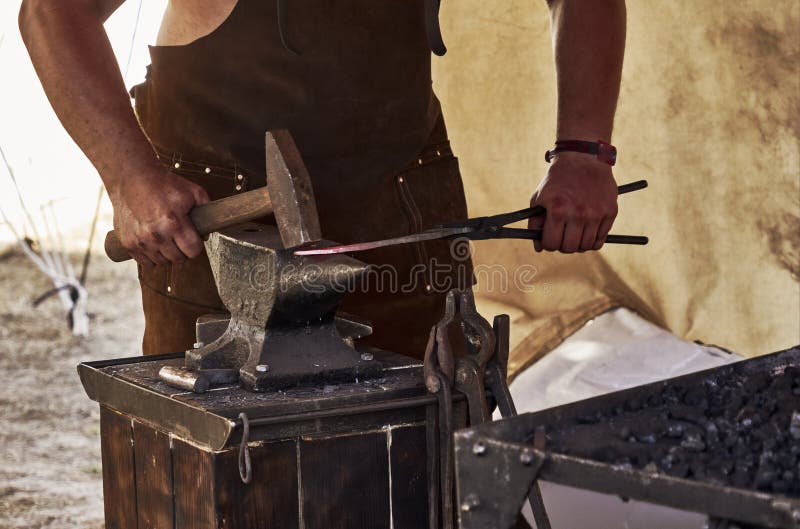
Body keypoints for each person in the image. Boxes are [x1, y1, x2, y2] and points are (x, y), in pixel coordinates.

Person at [19, 0, 626, 359]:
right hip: (224, 243)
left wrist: (583, 153)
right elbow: (54, 12)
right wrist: (130, 179)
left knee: (426, 465)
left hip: (407, 218)